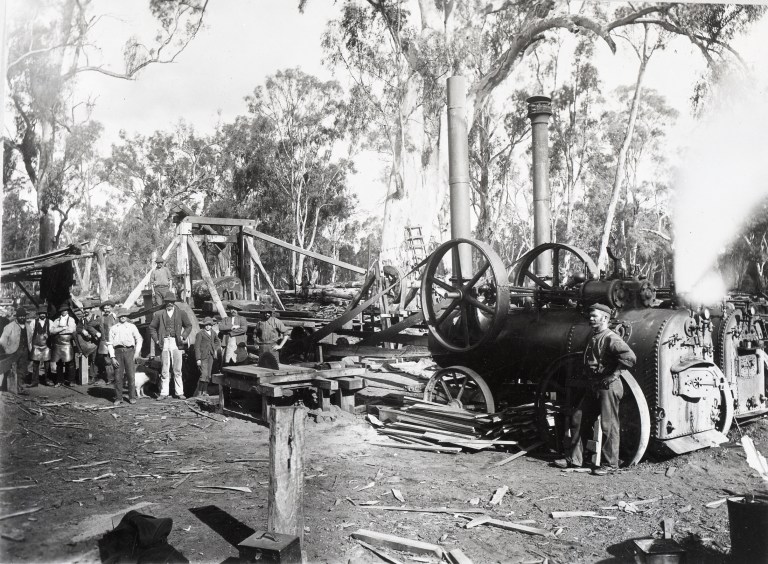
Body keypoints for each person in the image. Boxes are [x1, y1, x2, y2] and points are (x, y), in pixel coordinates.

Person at [555, 303, 636, 474]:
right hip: (595, 386)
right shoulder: (594, 336)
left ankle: (609, 465)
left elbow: (630, 357)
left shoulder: (611, 338)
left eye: (594, 316)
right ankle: (574, 460)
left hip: (608, 387)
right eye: (590, 316)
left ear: (605, 318)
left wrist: (613, 376)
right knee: (579, 417)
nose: (590, 319)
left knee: (608, 425)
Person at [149, 292, 191, 400]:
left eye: (171, 302)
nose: (169, 304)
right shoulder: (159, 314)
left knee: (177, 368)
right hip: (164, 343)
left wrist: (183, 336)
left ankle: (179, 392)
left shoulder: (181, 313)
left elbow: (188, 326)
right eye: (167, 302)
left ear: (174, 303)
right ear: (165, 303)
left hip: (176, 343)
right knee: (164, 368)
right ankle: (164, 393)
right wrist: (157, 340)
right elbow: (152, 328)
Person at [108, 309, 143, 405]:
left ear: (127, 316)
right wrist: (112, 357)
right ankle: (119, 398)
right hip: (117, 352)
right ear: (118, 317)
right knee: (118, 376)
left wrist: (136, 352)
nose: (123, 317)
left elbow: (139, 339)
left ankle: (132, 397)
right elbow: (110, 343)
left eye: (124, 315)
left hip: (129, 352)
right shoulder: (114, 328)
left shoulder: (132, 327)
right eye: (121, 316)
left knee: (131, 375)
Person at [0, 307, 33, 394]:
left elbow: (30, 339)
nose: (22, 318)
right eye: (20, 316)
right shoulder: (9, 326)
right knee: (10, 370)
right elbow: (2, 340)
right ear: (16, 317)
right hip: (13, 351)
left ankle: (20, 388)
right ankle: (7, 387)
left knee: (22, 370)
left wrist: (30, 349)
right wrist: (7, 349)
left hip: (25, 351)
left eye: (23, 316)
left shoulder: (28, 326)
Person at [49, 304, 78, 387]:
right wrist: (63, 328)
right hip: (58, 343)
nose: (64, 311)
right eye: (62, 310)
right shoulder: (57, 320)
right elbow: (52, 331)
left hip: (67, 343)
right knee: (59, 363)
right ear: (60, 311)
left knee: (70, 363)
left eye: (65, 310)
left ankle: (71, 380)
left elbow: (72, 330)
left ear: (67, 311)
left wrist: (58, 330)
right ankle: (59, 381)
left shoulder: (71, 319)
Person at [194, 317, 220, 397]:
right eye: (206, 325)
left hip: (211, 356)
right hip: (203, 356)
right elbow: (197, 347)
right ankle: (199, 392)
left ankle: (205, 391)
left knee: (208, 374)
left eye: (209, 325)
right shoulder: (200, 333)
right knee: (203, 374)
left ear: (212, 325)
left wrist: (214, 348)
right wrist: (198, 358)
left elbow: (217, 341)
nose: (208, 326)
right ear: (204, 325)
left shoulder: (213, 332)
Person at [94, 300, 118, 385]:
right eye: (105, 308)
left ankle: (119, 378)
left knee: (117, 360)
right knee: (107, 361)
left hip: (115, 342)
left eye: (108, 307)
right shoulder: (101, 318)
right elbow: (90, 325)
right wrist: (96, 333)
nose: (107, 309)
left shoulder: (116, 317)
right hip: (105, 342)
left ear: (111, 308)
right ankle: (110, 378)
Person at [30, 306, 51, 386]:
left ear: (46, 314)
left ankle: (47, 380)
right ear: (39, 314)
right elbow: (31, 333)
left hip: (46, 346)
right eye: (41, 313)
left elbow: (53, 331)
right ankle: (34, 381)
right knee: (35, 364)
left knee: (47, 364)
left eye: (44, 313)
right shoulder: (33, 322)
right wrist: (31, 345)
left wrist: (49, 335)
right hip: (36, 346)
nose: (42, 315)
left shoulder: (50, 322)